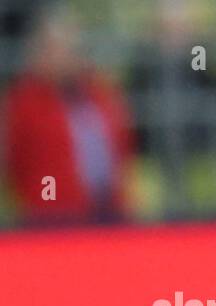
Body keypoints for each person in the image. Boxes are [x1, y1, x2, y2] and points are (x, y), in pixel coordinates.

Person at [2, 4, 134, 225]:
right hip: (51, 217)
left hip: (109, 211)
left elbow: (122, 145)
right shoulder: (23, 102)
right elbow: (12, 159)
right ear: (38, 54)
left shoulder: (99, 93)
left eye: (72, 49)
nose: (66, 56)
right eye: (56, 49)